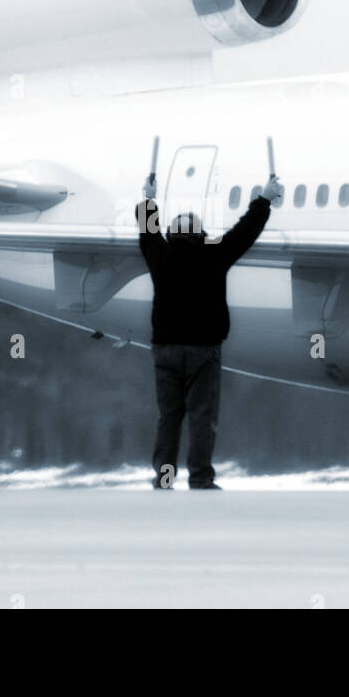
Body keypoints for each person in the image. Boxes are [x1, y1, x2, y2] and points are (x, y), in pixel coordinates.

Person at [136, 172, 284, 490]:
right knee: (202, 416)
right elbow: (245, 232)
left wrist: (148, 197)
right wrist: (265, 198)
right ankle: (201, 477)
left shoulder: (160, 255)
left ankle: (163, 478)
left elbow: (148, 232)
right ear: (202, 234)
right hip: (203, 349)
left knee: (169, 416)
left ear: (173, 234)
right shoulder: (214, 254)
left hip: (165, 349)